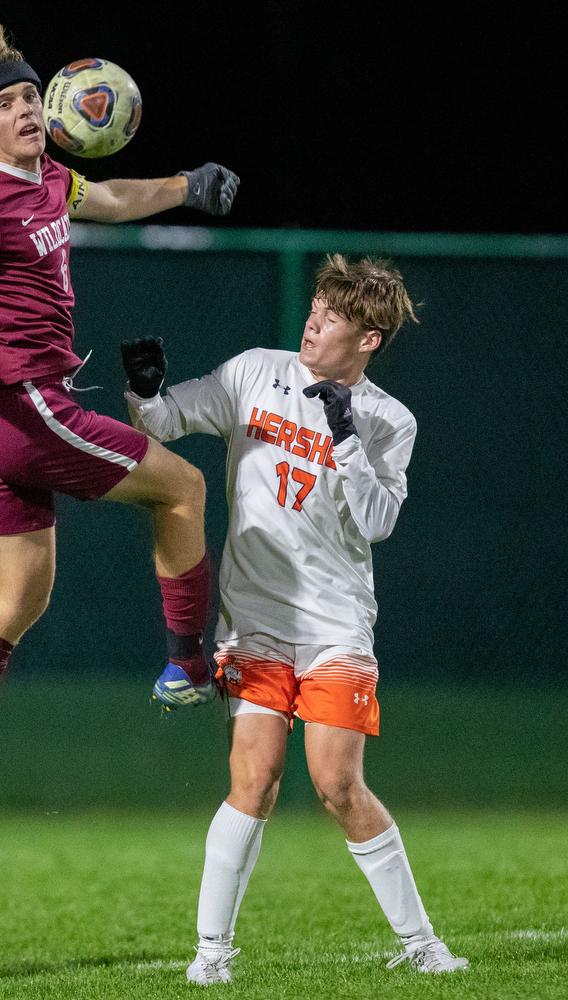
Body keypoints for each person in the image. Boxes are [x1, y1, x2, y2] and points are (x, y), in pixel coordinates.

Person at [0, 25, 239, 847]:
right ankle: (189, 662)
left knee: (22, 595)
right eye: (5, 105)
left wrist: (188, 183)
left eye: (26, 97)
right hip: (21, 408)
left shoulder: (48, 176)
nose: (23, 112)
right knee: (184, 488)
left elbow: (112, 199)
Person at [122, 254, 469, 979]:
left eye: (335, 315)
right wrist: (144, 390)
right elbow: (167, 417)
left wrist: (345, 436)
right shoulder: (256, 372)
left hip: (336, 625)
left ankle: (423, 947)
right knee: (255, 777)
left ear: (368, 338)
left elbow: (376, 522)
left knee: (338, 783)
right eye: (316, 304)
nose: (314, 320)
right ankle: (211, 957)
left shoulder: (386, 420)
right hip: (253, 624)